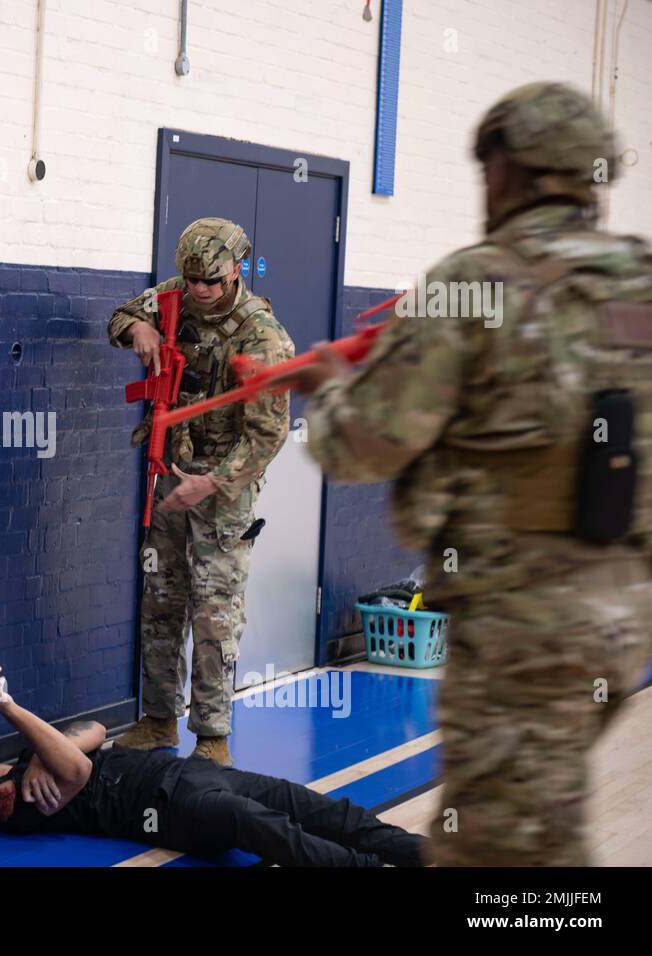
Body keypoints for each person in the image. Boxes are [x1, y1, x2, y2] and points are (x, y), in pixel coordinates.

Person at [275, 82, 652, 865]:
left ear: (511, 171)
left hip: (526, 625)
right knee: (541, 828)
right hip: (624, 615)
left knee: (499, 854)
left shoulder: (478, 281)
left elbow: (363, 447)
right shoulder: (640, 281)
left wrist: (329, 387)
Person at [0, 661, 427, 866]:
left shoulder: (31, 758)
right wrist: (6, 706)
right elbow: (78, 771)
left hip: (189, 771)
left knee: (323, 811)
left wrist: (43, 757)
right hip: (170, 804)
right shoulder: (8, 804)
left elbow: (93, 730)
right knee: (274, 830)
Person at [107, 219, 295, 766]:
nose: (201, 292)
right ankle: (159, 720)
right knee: (161, 596)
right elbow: (120, 315)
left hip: (223, 484)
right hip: (171, 467)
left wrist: (211, 482)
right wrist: (137, 331)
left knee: (214, 610)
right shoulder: (174, 295)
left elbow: (267, 433)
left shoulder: (262, 337)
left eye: (211, 282)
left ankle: (212, 736)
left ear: (236, 270)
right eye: (192, 282)